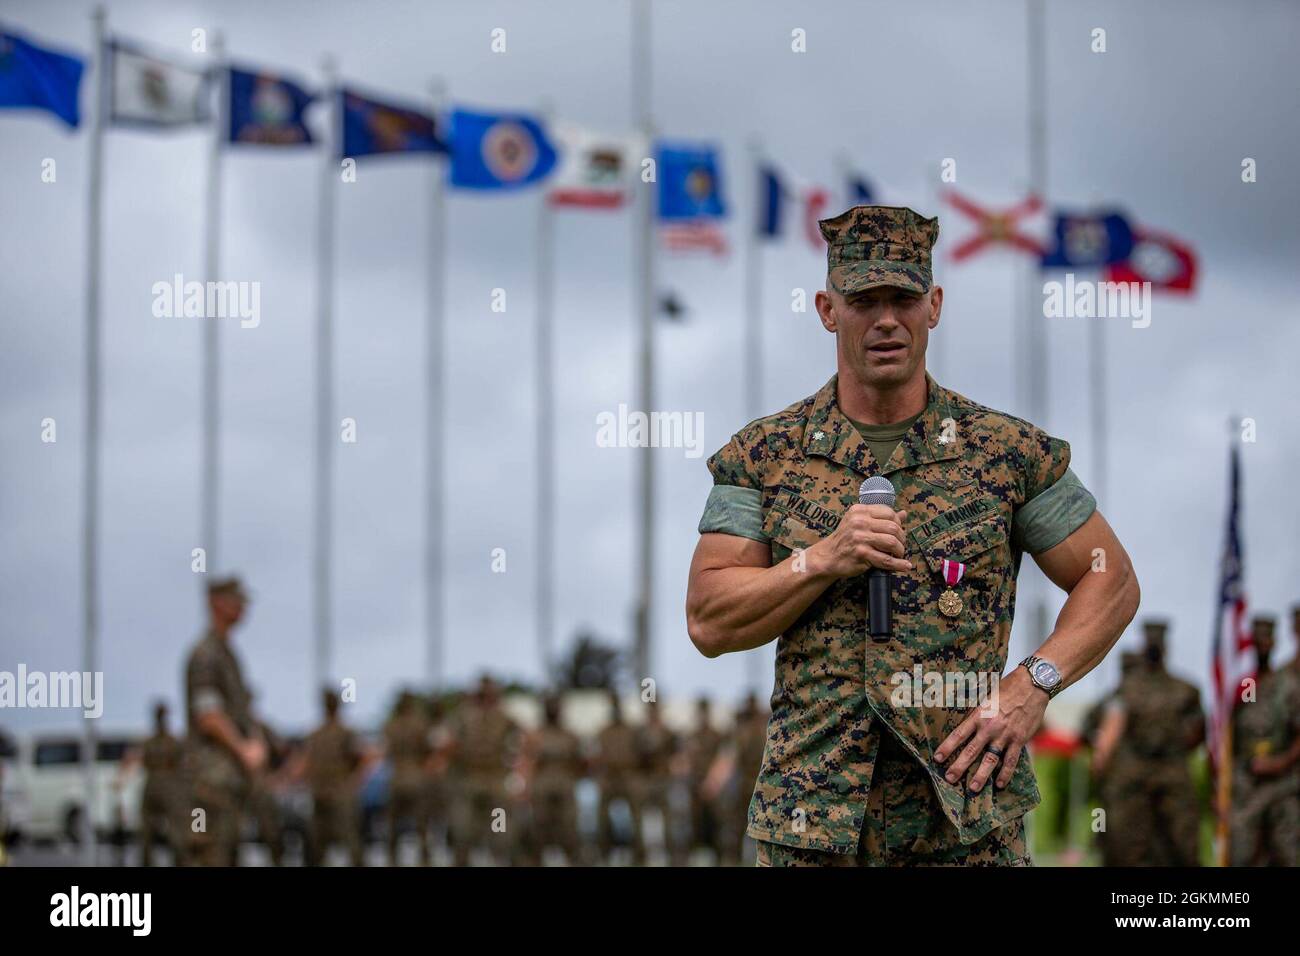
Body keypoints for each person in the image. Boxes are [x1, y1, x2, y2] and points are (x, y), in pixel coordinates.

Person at [685, 204, 1139, 866]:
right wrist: (821, 559)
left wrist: (1033, 684)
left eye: (904, 297)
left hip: (963, 821)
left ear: (935, 305)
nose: (887, 319)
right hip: (813, 825)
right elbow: (709, 620)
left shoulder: (1005, 453)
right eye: (865, 299)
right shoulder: (763, 457)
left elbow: (1111, 578)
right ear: (827, 309)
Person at [1094, 622, 1204, 865]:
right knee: (1129, 839)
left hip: (1172, 767)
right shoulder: (1127, 689)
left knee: (1182, 838)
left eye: (1159, 641)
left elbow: (1200, 728)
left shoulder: (1185, 689)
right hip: (1135, 769)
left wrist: (1179, 749)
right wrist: (1103, 758)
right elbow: (1111, 725)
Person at [180, 576, 266, 866]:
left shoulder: (225, 653)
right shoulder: (207, 654)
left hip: (226, 780)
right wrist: (245, 749)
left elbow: (237, 712)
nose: (243, 608)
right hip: (209, 781)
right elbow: (209, 716)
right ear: (216, 603)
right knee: (209, 855)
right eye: (236, 601)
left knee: (226, 854)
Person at [1229, 616, 1300, 866]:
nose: (1263, 646)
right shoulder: (1244, 687)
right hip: (1246, 785)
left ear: (1274, 643)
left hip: (1283, 785)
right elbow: (1228, 737)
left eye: (1267, 640)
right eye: (1257, 640)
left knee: (1287, 854)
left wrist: (1280, 762)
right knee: (1244, 855)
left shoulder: (1289, 687)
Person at [445, 676, 517, 866]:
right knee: (463, 829)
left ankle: (500, 860)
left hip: (495, 781)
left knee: (499, 829)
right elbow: (449, 744)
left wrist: (516, 767)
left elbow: (525, 741)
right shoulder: (462, 717)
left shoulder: (505, 718)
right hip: (469, 780)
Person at [301, 688, 366, 866]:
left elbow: (361, 758)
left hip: (338, 791)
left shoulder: (343, 733)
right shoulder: (317, 734)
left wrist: (354, 781)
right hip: (323, 791)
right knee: (319, 840)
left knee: (348, 837)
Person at [519, 694, 584, 865]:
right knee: (539, 829)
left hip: (565, 783)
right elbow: (527, 761)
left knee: (569, 829)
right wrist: (525, 787)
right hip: (542, 785)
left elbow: (580, 762)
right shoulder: (535, 735)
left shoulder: (570, 735)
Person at [384, 691, 433, 866]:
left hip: (396, 778)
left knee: (392, 825)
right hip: (416, 778)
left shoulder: (390, 726)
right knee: (422, 825)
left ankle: (392, 859)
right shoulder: (421, 725)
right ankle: (425, 859)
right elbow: (427, 751)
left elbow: (387, 753)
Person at [594, 691, 641, 863]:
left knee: (636, 815)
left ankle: (638, 854)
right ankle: (604, 853)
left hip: (628, 775)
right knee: (602, 816)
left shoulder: (632, 731)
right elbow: (595, 757)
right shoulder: (603, 732)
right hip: (609, 777)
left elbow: (642, 755)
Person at [634, 700, 679, 865]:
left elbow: (676, 752)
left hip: (662, 778)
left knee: (668, 819)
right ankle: (640, 856)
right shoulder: (640, 732)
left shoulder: (667, 732)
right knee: (638, 818)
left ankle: (671, 855)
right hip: (645, 778)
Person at [138, 702, 183, 866]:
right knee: (147, 832)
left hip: (162, 785)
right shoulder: (159, 741)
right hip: (159, 785)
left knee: (175, 830)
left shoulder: (164, 741)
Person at [682, 697, 723, 861]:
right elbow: (684, 760)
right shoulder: (691, 735)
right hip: (694, 784)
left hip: (712, 784)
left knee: (715, 821)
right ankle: (695, 855)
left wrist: (712, 782)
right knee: (694, 820)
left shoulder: (716, 735)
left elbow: (723, 760)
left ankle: (718, 856)